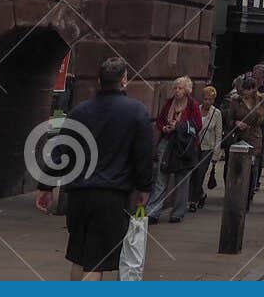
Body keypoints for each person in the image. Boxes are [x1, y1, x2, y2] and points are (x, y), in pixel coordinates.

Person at [35, 57, 153, 281]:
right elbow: (144, 155)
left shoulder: (79, 112)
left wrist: (45, 186)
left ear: (99, 81)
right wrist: (144, 187)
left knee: (80, 256)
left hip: (79, 196)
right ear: (124, 81)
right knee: (96, 260)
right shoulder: (136, 112)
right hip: (112, 197)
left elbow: (60, 151)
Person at [150, 76, 202, 223]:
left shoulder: (192, 105)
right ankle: (153, 212)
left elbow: (197, 126)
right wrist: (164, 128)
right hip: (167, 143)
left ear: (186, 90)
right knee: (160, 178)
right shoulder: (169, 104)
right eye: (176, 88)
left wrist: (178, 127)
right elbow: (160, 121)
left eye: (180, 88)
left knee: (182, 181)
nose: (177, 91)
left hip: (183, 146)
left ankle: (177, 213)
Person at [188, 84, 225, 214]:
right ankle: (201, 194)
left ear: (214, 100)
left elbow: (218, 134)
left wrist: (216, 154)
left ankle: (193, 201)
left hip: (208, 147)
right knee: (193, 172)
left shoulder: (217, 113)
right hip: (195, 146)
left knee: (200, 172)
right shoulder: (196, 110)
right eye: (205, 99)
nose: (208, 101)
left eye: (210, 99)